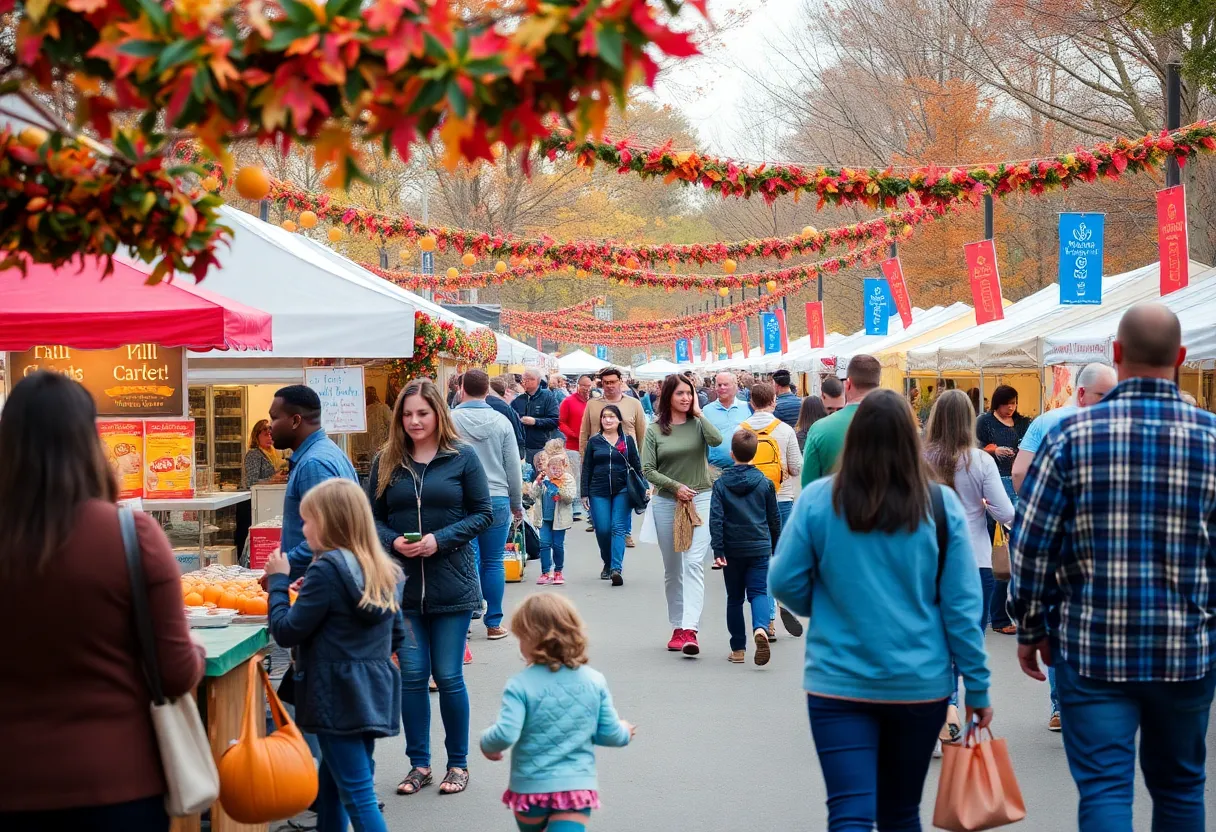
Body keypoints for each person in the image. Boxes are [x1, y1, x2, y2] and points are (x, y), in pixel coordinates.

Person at [1012, 304, 1216, 832]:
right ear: (1181, 357)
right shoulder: (1211, 440)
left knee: (1104, 786)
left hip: (1092, 646)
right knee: (1179, 789)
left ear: (1117, 356)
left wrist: (1031, 627)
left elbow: (1034, 546)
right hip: (1184, 648)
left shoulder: (1067, 439)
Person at [770, 389, 992, 831]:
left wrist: (831, 606)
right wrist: (978, 688)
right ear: (911, 438)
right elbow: (962, 607)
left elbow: (783, 581)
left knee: (849, 810)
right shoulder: (940, 505)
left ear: (855, 439)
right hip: (919, 681)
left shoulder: (819, 500)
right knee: (900, 812)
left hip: (838, 679)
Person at [0, 373, 204, 832]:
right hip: (118, 784)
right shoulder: (132, 536)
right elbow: (175, 672)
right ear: (88, 442)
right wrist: (196, 653)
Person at [367, 379, 493, 798]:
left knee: (449, 675)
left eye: (422, 412)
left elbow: (483, 514)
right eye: (407, 414)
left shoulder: (462, 458)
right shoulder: (387, 461)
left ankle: (458, 764)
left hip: (452, 582)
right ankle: (418, 763)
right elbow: (373, 519)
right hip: (402, 588)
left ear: (438, 413)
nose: (414, 421)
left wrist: (441, 538)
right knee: (413, 676)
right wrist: (393, 542)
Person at [263, 479, 404, 832]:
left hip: (335, 697)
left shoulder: (325, 570)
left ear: (327, 523)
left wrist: (279, 583)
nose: (303, 529)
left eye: (307, 521)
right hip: (371, 692)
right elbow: (396, 633)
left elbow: (285, 630)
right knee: (330, 788)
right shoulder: (376, 567)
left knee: (358, 796)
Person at [1008, 363, 1117, 733]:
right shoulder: (1120, 424)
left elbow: (1020, 473)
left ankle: (1062, 705)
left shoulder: (1047, 422)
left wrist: (1038, 507)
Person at [480, 594, 634, 832]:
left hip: (530, 791)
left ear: (529, 639)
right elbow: (608, 734)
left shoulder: (520, 685)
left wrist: (487, 744)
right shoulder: (594, 681)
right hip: (574, 789)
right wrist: (624, 730)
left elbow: (506, 733)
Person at [923, 389, 1014, 744]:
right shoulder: (979, 461)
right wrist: (986, 506)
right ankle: (953, 707)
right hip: (974, 563)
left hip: (927, 563)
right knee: (967, 641)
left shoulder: (920, 457)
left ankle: (941, 709)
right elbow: (1007, 513)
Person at [642, 373, 724, 657]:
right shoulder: (655, 430)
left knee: (693, 563)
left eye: (689, 393)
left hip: (701, 498)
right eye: (680, 394)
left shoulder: (698, 424)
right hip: (667, 502)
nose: (686, 398)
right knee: (673, 568)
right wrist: (675, 487)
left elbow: (717, 440)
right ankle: (677, 625)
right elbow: (648, 469)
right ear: (668, 397)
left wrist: (700, 414)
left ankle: (691, 629)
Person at [451, 370, 525, 640]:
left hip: (459, 498)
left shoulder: (450, 420)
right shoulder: (501, 421)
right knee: (493, 561)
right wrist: (516, 502)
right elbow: (512, 468)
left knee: (465, 560)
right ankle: (494, 622)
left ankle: (466, 618)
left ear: (461, 389)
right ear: (487, 391)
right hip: (496, 497)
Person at [271, 385, 361, 581]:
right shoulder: (324, 453)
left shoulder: (314, 464)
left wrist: (284, 566)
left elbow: (330, 535)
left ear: (295, 421)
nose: (270, 425)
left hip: (314, 584)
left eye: (274, 417)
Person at [710, 429, 782, 666]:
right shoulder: (764, 483)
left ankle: (738, 649)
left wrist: (718, 550)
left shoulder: (721, 484)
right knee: (759, 593)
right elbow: (774, 518)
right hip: (760, 545)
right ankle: (760, 628)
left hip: (732, 549)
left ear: (732, 454)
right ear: (754, 454)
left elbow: (716, 519)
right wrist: (776, 545)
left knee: (734, 598)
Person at [739, 382, 804, 638]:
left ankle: (768, 619)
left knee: (759, 559)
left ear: (752, 403)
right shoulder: (785, 430)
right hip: (781, 499)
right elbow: (797, 467)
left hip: (750, 503)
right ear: (774, 401)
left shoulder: (741, 429)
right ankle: (780, 600)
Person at [975, 384, 1031, 636]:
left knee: (1012, 552)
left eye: (1015, 403)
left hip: (1017, 484)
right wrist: (993, 450)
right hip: (994, 484)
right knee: (998, 551)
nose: (1012, 407)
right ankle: (995, 614)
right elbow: (976, 448)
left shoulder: (1022, 423)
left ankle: (1003, 611)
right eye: (1008, 403)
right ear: (997, 403)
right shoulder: (985, 422)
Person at [1011, 363, 1118, 494]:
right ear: (1081, 392)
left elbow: (1019, 472)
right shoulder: (1119, 427)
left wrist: (1030, 505)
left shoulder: (1045, 421)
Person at [579, 367, 647, 545]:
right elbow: (584, 432)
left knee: (626, 494)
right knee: (603, 509)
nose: (609, 386)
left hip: (626, 461)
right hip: (599, 460)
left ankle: (625, 532)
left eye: (612, 382)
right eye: (606, 383)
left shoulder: (633, 404)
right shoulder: (592, 404)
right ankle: (609, 531)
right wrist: (583, 458)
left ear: (620, 381)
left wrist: (644, 464)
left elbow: (642, 435)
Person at [581, 404, 642, 585]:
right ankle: (607, 562)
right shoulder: (594, 441)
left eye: (612, 417)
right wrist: (584, 493)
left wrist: (642, 486)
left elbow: (636, 465)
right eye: (604, 417)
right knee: (603, 529)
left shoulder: (627, 440)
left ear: (619, 420)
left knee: (618, 528)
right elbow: (587, 468)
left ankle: (616, 568)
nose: (608, 420)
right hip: (598, 490)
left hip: (623, 489)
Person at [801, 355, 880, 487]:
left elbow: (808, 485)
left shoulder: (820, 428)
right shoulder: (897, 425)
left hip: (832, 504)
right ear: (879, 385)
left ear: (847, 385)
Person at [236, 418, 287, 557]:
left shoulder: (273, 454)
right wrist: (272, 479)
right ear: (256, 437)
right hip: (250, 504)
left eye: (271, 434)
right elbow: (251, 481)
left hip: (263, 502)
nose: (269, 438)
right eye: (265, 434)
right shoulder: (254, 454)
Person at [529, 453, 576, 586]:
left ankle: (558, 571)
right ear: (548, 468)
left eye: (558, 469)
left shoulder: (567, 480)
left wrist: (558, 490)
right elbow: (533, 495)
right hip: (544, 518)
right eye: (552, 468)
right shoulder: (544, 480)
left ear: (564, 468)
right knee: (544, 544)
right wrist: (538, 483)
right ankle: (545, 572)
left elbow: (569, 497)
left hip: (559, 519)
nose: (555, 471)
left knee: (557, 545)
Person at [559, 375, 593, 521]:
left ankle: (591, 509)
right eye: (584, 385)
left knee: (590, 476)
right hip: (573, 446)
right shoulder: (568, 401)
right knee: (575, 476)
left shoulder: (593, 402)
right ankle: (576, 507)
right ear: (578, 385)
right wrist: (574, 435)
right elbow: (561, 422)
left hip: (591, 446)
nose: (586, 389)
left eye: (589, 386)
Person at [703, 372, 752, 474]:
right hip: (716, 470)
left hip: (744, 468)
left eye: (726, 384)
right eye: (719, 385)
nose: (722, 388)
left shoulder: (747, 408)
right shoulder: (706, 410)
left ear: (735, 386)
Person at [512, 369, 561, 464]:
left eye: (530, 379)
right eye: (524, 378)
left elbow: (555, 421)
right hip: (520, 447)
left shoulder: (547, 396)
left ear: (538, 381)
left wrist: (535, 421)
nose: (526, 381)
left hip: (540, 447)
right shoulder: (518, 399)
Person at [351, 385, 393, 468]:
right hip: (366, 452)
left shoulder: (381, 409)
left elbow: (392, 425)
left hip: (378, 449)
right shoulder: (359, 411)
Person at [487, 375, 527, 460]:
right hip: (505, 456)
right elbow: (518, 437)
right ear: (507, 392)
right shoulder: (506, 409)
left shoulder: (483, 404)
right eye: (515, 394)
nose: (514, 398)